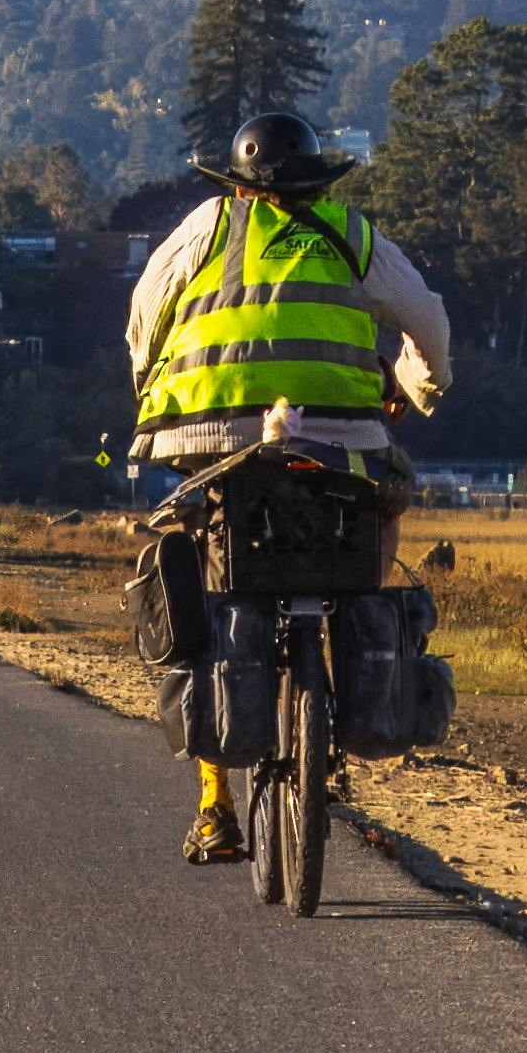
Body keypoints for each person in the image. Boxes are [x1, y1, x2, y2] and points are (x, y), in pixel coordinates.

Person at [125, 108, 454, 864]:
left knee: (207, 585)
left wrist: (153, 388)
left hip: (209, 440)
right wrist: (415, 388)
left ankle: (214, 805)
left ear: (238, 186)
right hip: (343, 440)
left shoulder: (206, 228)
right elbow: (429, 326)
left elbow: (145, 315)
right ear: (316, 180)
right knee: (385, 504)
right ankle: (355, 634)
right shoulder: (350, 234)